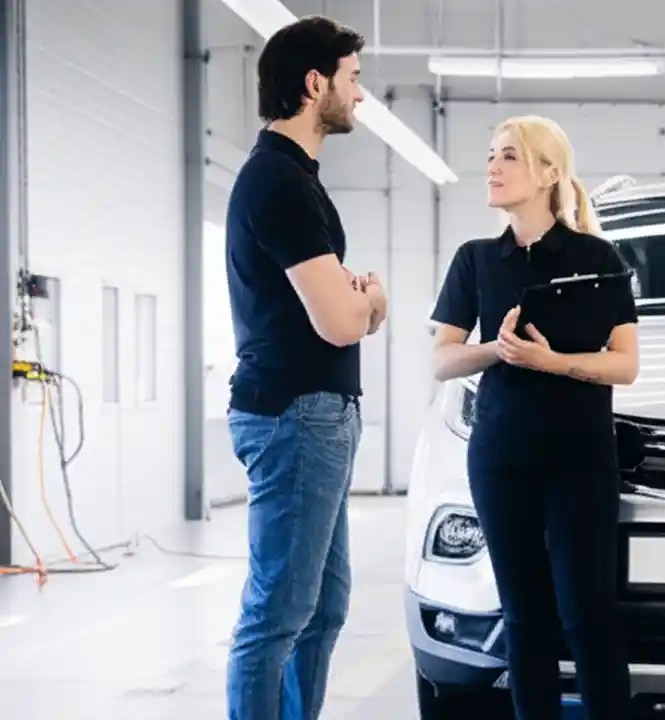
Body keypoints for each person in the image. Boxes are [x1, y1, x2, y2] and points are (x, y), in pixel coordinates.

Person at [430, 115, 640, 720]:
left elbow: (625, 365)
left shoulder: (598, 257)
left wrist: (552, 362)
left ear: (549, 173)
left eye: (508, 157)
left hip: (580, 462)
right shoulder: (475, 260)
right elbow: (443, 360)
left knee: (588, 613)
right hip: (501, 460)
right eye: (491, 156)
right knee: (523, 616)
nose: (492, 168)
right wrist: (497, 351)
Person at [222, 16, 387, 720]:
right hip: (296, 414)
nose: (361, 93)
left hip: (316, 414)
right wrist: (373, 299)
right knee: (279, 613)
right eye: (353, 78)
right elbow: (341, 320)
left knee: (322, 608)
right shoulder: (280, 182)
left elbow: (336, 309)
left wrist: (357, 303)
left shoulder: (295, 179)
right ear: (315, 83)